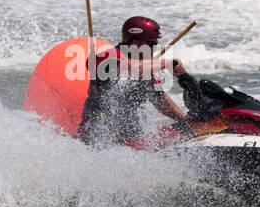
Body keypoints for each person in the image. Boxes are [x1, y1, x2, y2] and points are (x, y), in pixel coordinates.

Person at [78, 16, 189, 146]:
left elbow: (161, 102)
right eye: (151, 43)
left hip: (130, 137)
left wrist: (187, 122)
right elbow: (131, 69)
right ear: (135, 43)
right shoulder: (106, 58)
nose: (154, 48)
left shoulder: (146, 68)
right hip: (98, 135)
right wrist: (167, 63)